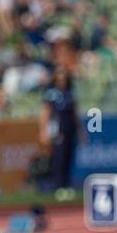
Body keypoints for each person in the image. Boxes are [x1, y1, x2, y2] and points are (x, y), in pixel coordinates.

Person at [40, 67, 78, 200]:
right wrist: (43, 131)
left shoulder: (70, 93)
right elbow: (46, 113)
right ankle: (59, 186)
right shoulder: (51, 94)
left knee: (68, 157)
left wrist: (80, 130)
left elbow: (75, 113)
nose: (62, 81)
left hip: (70, 128)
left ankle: (67, 185)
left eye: (64, 78)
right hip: (58, 128)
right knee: (59, 158)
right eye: (59, 78)